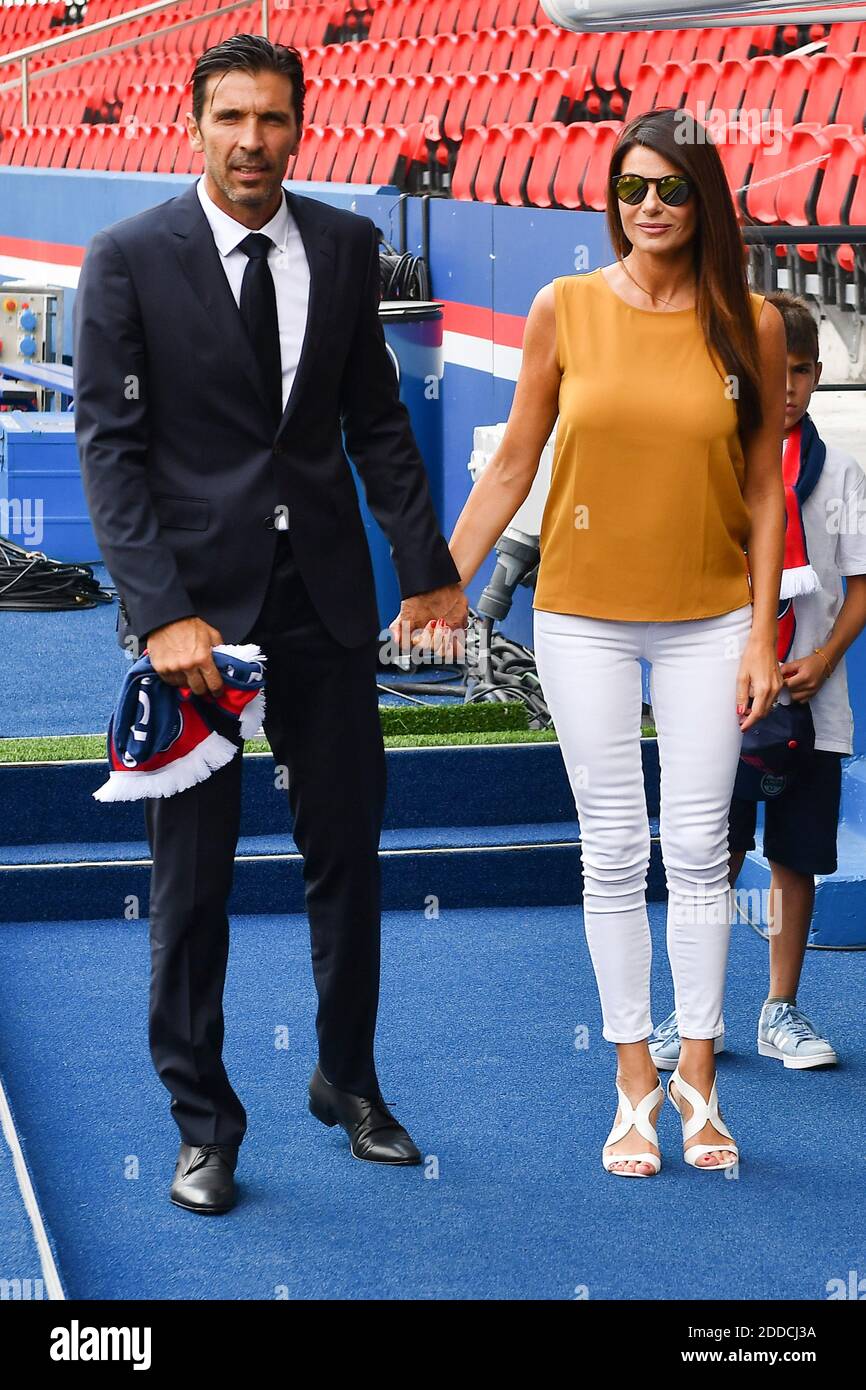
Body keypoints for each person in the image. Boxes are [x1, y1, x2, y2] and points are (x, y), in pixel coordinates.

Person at [73, 34, 465, 1214]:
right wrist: (161, 616)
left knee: (345, 856)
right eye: (232, 118)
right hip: (194, 622)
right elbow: (111, 448)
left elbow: (377, 428)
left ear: (302, 126)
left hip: (327, 609)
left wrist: (429, 572)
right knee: (190, 883)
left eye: (274, 120)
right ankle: (202, 1120)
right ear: (194, 123)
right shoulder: (129, 257)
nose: (254, 141)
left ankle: (346, 1079)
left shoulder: (347, 248)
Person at [441, 107, 787, 1176]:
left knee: (697, 852)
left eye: (670, 189)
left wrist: (762, 633)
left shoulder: (753, 323)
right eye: (631, 188)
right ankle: (630, 1076)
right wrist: (436, 587)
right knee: (611, 849)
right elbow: (510, 467)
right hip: (580, 617)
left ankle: (699, 1077)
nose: (648, 207)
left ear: (703, 199)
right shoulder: (563, 308)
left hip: (708, 623)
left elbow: (762, 492)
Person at [650, 290, 866, 1073]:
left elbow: (859, 584)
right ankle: (691, 1011)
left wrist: (824, 659)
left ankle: (782, 1008)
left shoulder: (840, 472)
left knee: (796, 856)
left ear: (816, 375)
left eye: (802, 372)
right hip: (721, 697)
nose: (787, 390)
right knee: (709, 851)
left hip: (813, 701)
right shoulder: (711, 462)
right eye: (773, 372)